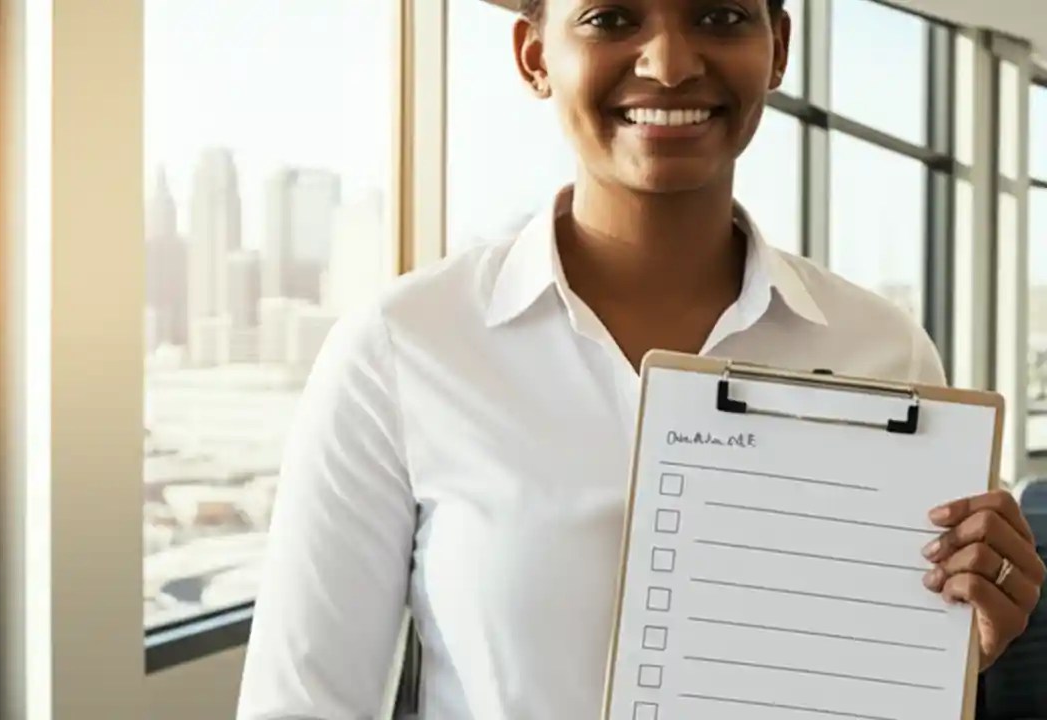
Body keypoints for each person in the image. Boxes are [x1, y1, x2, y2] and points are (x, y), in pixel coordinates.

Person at [238, 0, 1046, 717]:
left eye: (721, 17)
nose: (669, 63)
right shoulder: (404, 346)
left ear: (778, 48)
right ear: (533, 55)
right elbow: (304, 701)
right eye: (611, 18)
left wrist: (946, 654)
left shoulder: (883, 347)